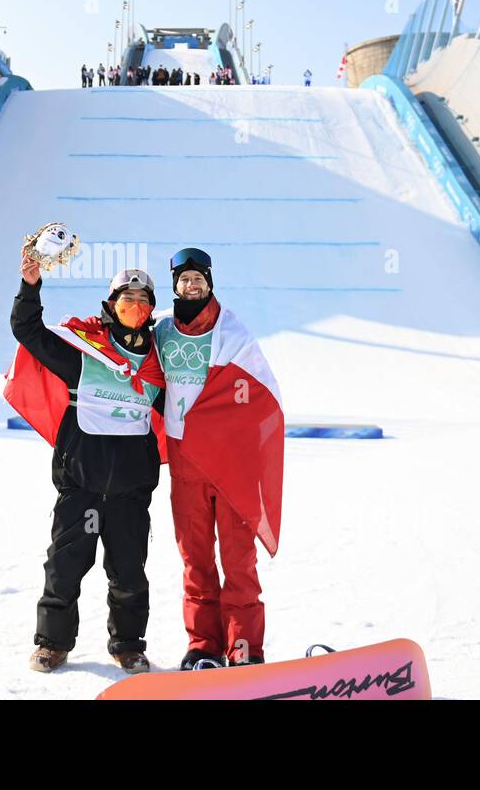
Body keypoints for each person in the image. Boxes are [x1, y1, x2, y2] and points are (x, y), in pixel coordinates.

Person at [5, 257, 167, 675]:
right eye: (126, 298)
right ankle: (52, 644)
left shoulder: (158, 366)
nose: (135, 305)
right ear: (110, 305)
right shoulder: (84, 355)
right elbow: (29, 333)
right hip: (81, 488)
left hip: (130, 494)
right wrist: (30, 286)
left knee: (130, 574)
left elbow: (189, 406)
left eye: (143, 299)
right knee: (64, 569)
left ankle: (128, 645)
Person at [153, 248, 285, 670]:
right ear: (175, 286)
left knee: (238, 561)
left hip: (230, 466)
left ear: (210, 283)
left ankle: (244, 649)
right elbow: (126, 354)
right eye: (184, 280)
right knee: (196, 560)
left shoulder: (233, 333)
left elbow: (263, 395)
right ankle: (203, 646)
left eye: (199, 279)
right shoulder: (161, 333)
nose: (192, 286)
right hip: (186, 464)